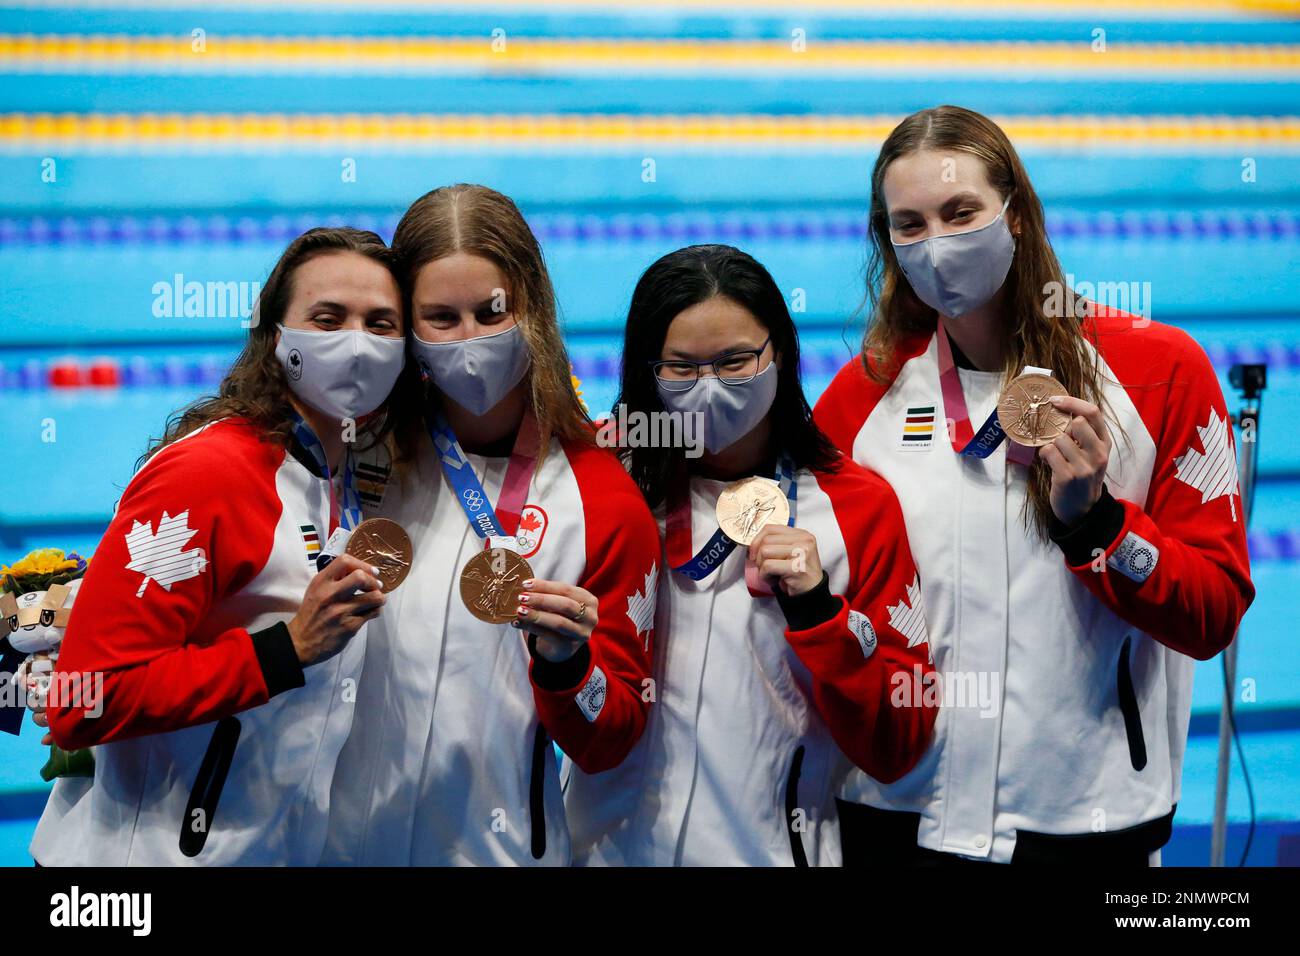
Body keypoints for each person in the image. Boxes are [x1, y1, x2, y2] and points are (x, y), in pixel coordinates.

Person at [813, 105, 1255, 865]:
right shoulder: (860, 399)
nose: (938, 244)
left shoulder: (1158, 372)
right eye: (910, 225)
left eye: (961, 213)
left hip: (1084, 820)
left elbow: (1213, 611)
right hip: (893, 812)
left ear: (1015, 214)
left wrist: (1099, 526)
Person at [32, 226, 419, 865]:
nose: (356, 342)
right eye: (328, 319)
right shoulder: (209, 475)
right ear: (275, 338)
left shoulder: (338, 475)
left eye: (381, 324)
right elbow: (85, 696)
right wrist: (285, 649)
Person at [562, 244, 938, 866]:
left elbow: (899, 741)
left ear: (782, 354)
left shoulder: (855, 508)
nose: (711, 388)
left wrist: (822, 615)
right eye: (681, 368)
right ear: (644, 372)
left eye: (736, 360)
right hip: (605, 853)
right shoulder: (607, 489)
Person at [322, 184, 660, 866]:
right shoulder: (351, 457)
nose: (470, 340)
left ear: (532, 306)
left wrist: (568, 668)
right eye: (441, 318)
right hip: (332, 851)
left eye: (492, 311)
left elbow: (614, 737)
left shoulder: (600, 498)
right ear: (404, 327)